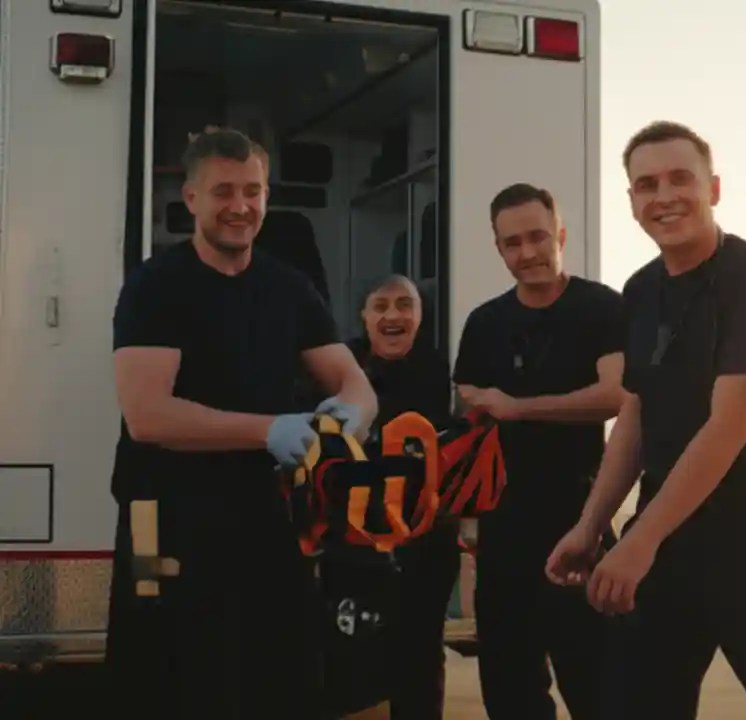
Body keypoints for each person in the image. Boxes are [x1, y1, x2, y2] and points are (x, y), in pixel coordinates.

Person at [545, 120, 746, 720]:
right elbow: (635, 411)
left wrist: (639, 542)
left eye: (680, 179)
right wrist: (592, 525)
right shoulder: (640, 291)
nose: (664, 196)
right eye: (646, 184)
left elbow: (729, 424)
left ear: (714, 188)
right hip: (668, 535)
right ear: (631, 202)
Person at [105, 127, 378, 720]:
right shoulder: (156, 288)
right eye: (223, 190)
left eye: (252, 190)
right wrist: (268, 430)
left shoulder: (287, 287)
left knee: (277, 686)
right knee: (174, 687)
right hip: (171, 527)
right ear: (192, 198)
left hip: (267, 524)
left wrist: (354, 413)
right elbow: (147, 416)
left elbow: (353, 380)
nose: (241, 206)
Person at [452, 183, 626, 720]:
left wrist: (517, 407)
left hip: (581, 526)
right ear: (498, 248)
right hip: (503, 533)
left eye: (537, 237)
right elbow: (468, 410)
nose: (526, 253)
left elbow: (615, 396)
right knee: (509, 690)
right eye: (512, 243)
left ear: (561, 235)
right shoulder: (485, 323)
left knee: (597, 686)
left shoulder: (601, 307)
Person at [320, 273, 462, 720]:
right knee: (346, 649)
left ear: (420, 317)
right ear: (364, 317)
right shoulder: (337, 369)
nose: (393, 315)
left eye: (405, 305)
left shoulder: (441, 372)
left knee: (420, 654)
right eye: (380, 306)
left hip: (426, 540)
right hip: (351, 543)